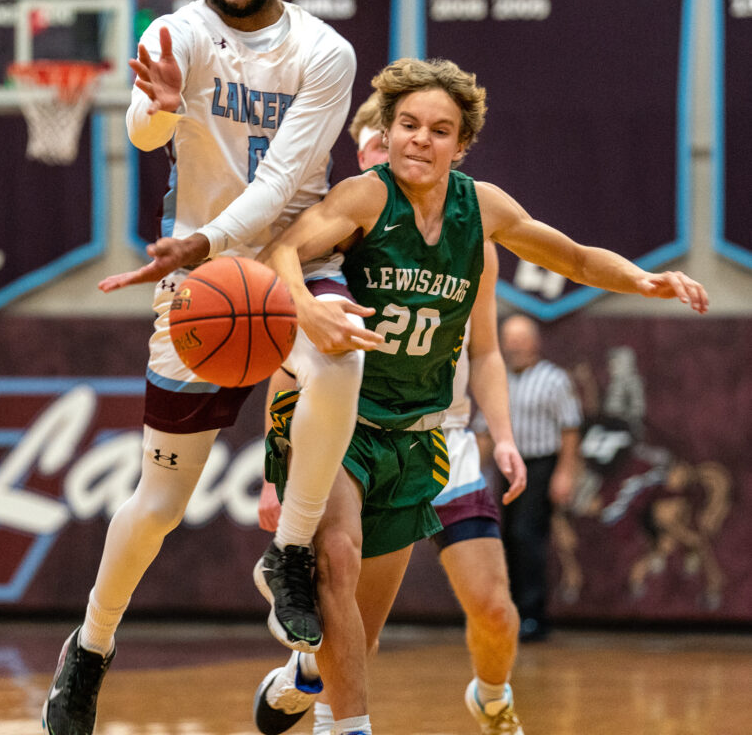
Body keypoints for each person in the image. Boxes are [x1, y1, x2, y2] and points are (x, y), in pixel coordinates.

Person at [249, 56, 708, 735]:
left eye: (437, 130)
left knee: (361, 634)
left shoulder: (482, 210)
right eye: (406, 124)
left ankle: (303, 676)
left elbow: (575, 258)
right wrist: (307, 310)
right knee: (336, 561)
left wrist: (642, 280)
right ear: (387, 128)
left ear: (459, 145)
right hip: (341, 420)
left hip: (418, 432)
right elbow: (280, 250)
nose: (417, 139)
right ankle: (342, 726)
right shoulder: (365, 197)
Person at [41, 0, 382, 734]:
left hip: (292, 262)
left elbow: (283, 182)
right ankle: (89, 649)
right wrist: (158, 109)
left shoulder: (324, 52)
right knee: (157, 503)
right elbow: (140, 130)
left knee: (340, 357)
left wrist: (204, 242)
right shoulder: (176, 34)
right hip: (202, 290)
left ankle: (289, 552)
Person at [256, 92, 528, 735]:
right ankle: (325, 696)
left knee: (491, 607)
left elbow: (486, 350)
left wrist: (507, 437)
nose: (406, 150)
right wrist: (274, 474)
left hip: (443, 434)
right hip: (355, 429)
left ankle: (490, 697)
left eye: (432, 134)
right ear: (366, 153)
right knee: (340, 578)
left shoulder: (472, 232)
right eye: (389, 139)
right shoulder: (346, 231)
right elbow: (291, 360)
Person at [475, 314, 582, 641]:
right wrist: (471, 473)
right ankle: (512, 612)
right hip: (508, 467)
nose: (515, 346)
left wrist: (565, 472)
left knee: (527, 536)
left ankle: (533, 616)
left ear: (536, 342)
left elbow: (570, 428)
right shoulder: (498, 378)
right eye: (509, 339)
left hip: (540, 465)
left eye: (521, 339)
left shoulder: (554, 379)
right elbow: (484, 429)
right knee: (507, 538)